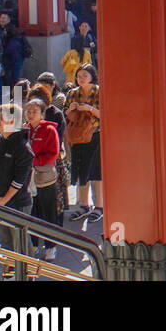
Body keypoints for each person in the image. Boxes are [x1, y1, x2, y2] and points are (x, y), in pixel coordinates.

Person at [0, 103, 33, 280]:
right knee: (4, 242)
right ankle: (8, 273)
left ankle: (27, 275)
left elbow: (19, 180)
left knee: (20, 244)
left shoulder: (23, 148)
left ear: (12, 120)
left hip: (17, 204)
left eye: (1, 117)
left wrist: (4, 200)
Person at [64, 63, 102, 223]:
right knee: (80, 170)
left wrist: (89, 108)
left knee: (95, 172)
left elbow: (105, 114)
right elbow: (66, 114)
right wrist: (71, 109)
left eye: (84, 76)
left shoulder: (99, 92)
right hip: (78, 135)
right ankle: (84, 205)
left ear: (92, 77)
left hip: (95, 134)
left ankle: (99, 206)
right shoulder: (72, 93)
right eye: (79, 76)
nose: (81, 79)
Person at [24, 98, 62, 259]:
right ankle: (32, 244)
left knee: (48, 212)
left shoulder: (49, 130)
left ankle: (51, 246)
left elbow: (53, 153)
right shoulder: (24, 130)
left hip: (45, 177)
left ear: (42, 114)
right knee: (32, 211)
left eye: (35, 111)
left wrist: (34, 161)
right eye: (28, 111)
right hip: (27, 178)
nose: (31, 114)